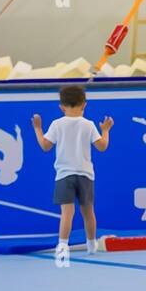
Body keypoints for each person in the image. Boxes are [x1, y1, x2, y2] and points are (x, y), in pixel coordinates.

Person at [32, 85, 112, 260]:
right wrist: (105, 130)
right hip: (85, 174)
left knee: (67, 213)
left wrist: (38, 128)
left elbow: (45, 146)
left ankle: (62, 248)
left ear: (61, 106)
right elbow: (102, 146)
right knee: (88, 212)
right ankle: (92, 246)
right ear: (84, 104)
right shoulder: (89, 125)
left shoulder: (56, 124)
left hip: (64, 175)